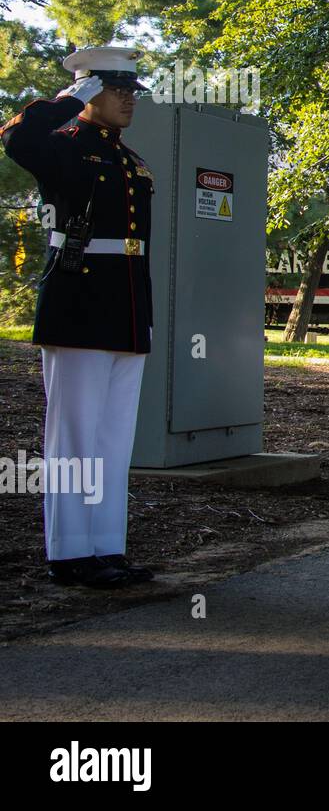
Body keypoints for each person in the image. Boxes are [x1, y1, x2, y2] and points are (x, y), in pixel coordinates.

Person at [1, 46, 155, 588]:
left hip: (128, 309)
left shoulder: (130, 159)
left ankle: (106, 547)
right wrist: (70, 97)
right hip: (80, 301)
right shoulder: (62, 147)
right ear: (91, 92)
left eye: (131, 91)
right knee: (75, 435)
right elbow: (14, 136)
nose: (127, 100)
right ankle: (68, 552)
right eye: (116, 90)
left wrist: (148, 318)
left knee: (114, 437)